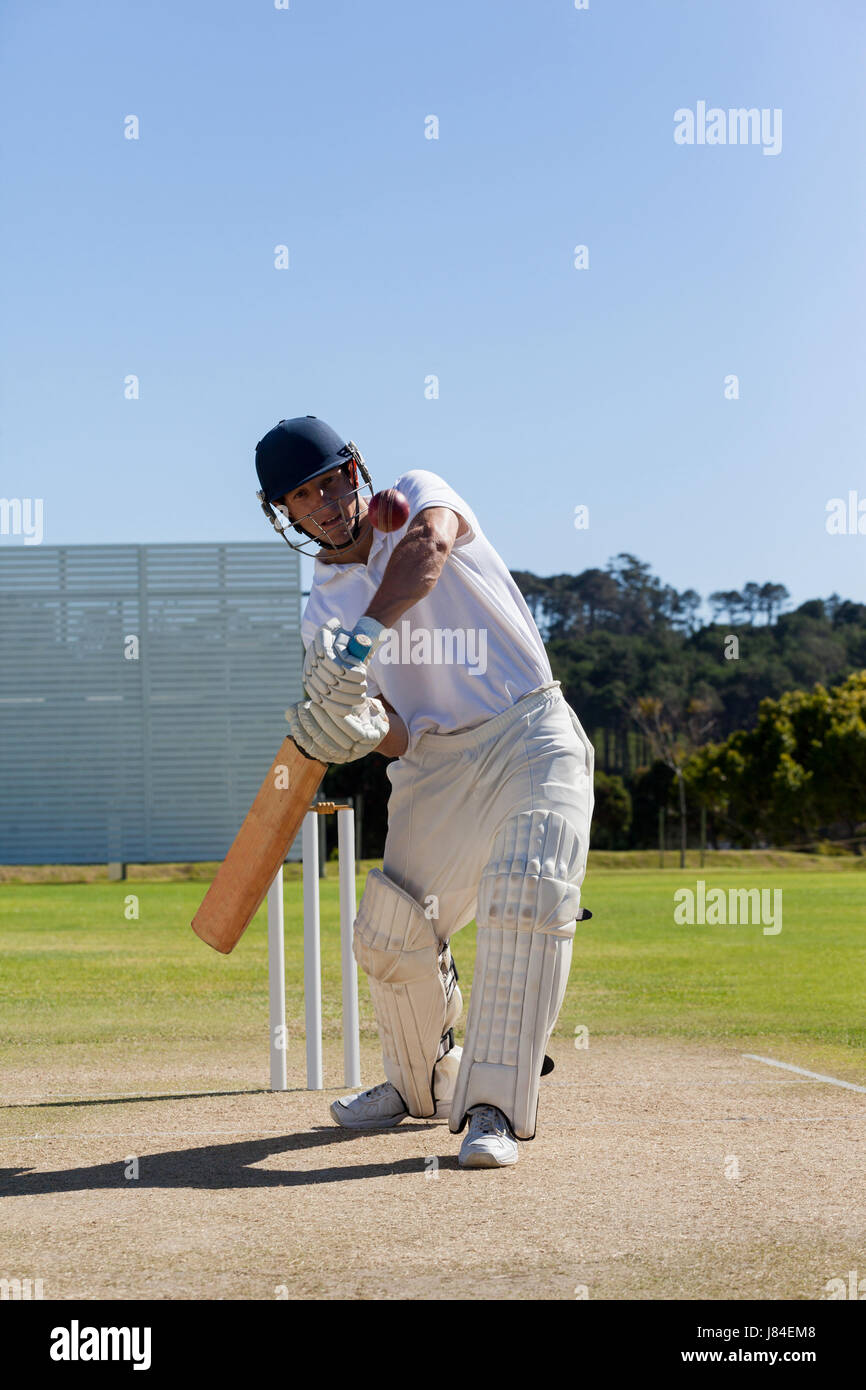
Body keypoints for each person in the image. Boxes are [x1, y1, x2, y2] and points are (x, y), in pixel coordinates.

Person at [255, 415, 594, 1168]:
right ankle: (421, 1086)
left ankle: (493, 1110)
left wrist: (358, 644)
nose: (324, 503)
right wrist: (360, 727)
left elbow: (427, 554)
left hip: (528, 731)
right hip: (434, 764)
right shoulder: (321, 612)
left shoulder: (414, 497)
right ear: (285, 514)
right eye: (301, 498)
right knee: (391, 930)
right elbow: (400, 731)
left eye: (331, 480)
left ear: (356, 471)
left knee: (528, 889)